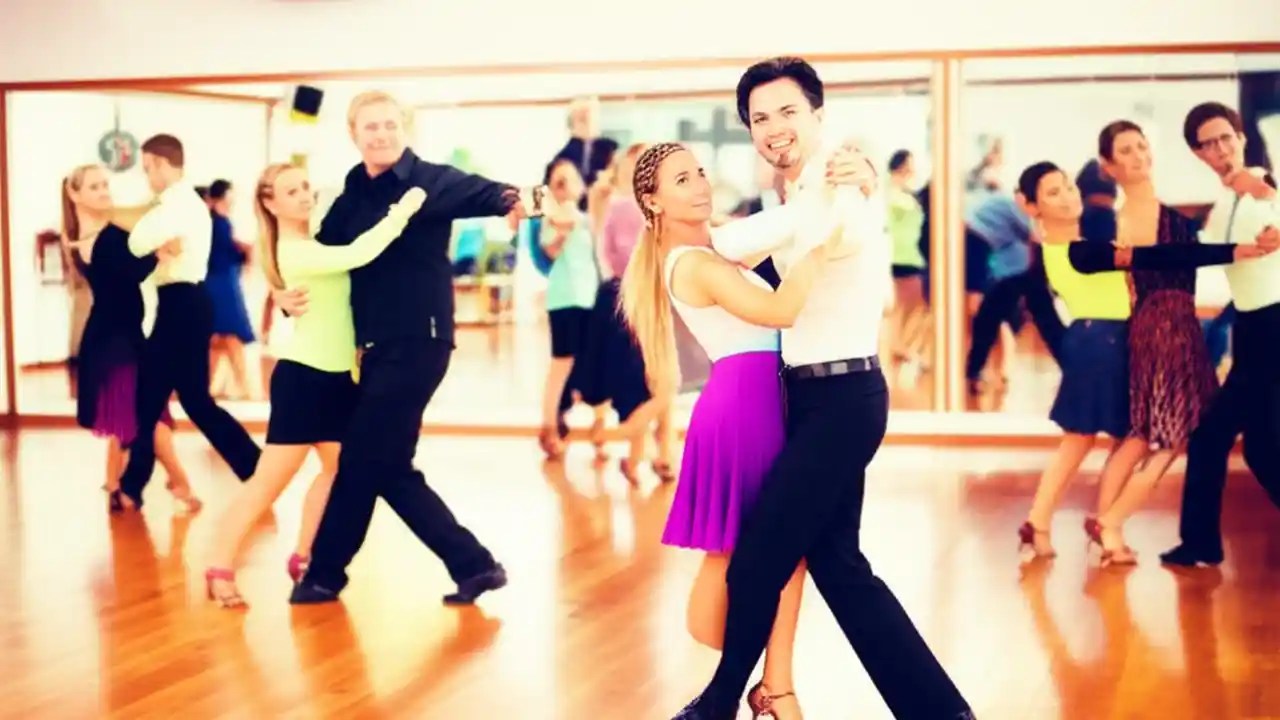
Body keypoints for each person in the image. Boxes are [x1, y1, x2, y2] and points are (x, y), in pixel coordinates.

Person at [672, 56, 973, 720]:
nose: (773, 127)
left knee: (757, 560)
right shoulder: (803, 194)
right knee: (839, 566)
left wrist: (677, 220)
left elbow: (737, 244)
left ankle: (719, 702)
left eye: (787, 111)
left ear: (817, 115)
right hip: (815, 399)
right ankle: (940, 711)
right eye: (760, 118)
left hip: (842, 400)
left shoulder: (835, 186)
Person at [278, 91, 535, 605]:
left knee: (360, 458)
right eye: (370, 127)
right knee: (389, 466)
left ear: (404, 128)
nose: (381, 134)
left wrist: (517, 202)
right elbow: (325, 262)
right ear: (354, 135)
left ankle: (326, 574)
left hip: (420, 341)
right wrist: (285, 298)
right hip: (372, 349)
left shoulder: (431, 181)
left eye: (390, 125)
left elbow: (490, 193)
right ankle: (475, 566)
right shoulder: (350, 196)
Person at [203, 163, 426, 608]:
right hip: (304, 381)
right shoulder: (295, 251)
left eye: (306, 187)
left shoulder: (311, 244)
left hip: (338, 379)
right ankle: (219, 567)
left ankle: (303, 555)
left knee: (339, 472)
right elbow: (360, 253)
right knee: (267, 484)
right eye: (291, 191)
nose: (305, 195)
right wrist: (405, 209)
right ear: (270, 203)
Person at [1162, 101, 1280, 567]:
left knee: (1213, 436)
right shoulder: (1225, 202)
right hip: (1253, 327)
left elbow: (1271, 201)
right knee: (1260, 447)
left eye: (1226, 139)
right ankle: (1200, 543)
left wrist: (1266, 193)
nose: (1220, 150)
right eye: (1209, 144)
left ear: (1241, 139)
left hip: (1274, 325)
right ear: (1198, 154)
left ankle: (1200, 543)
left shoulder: (1258, 185)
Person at [118, 134, 262, 508]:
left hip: (181, 304)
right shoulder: (178, 203)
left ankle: (133, 486)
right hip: (183, 305)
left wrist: (130, 227)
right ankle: (254, 469)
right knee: (178, 400)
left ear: (161, 164)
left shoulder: (177, 204)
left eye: (148, 168)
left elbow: (137, 243)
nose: (147, 176)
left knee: (162, 399)